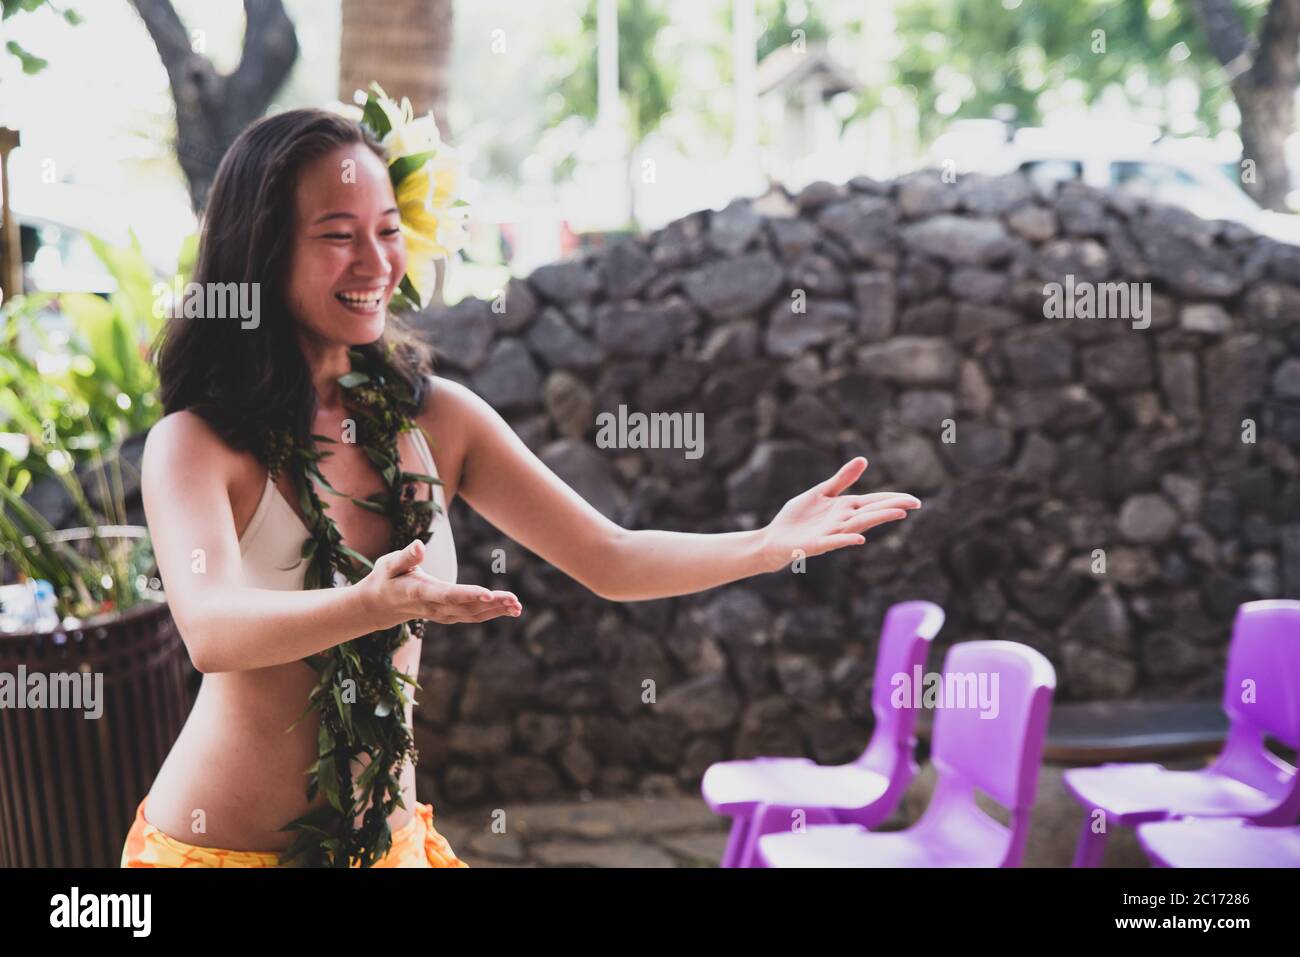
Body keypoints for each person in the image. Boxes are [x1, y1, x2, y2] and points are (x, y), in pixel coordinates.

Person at [121, 108, 921, 868]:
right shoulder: (197, 443)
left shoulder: (441, 420)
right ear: (259, 252)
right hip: (218, 848)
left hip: (388, 848)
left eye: (388, 232)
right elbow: (212, 629)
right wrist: (371, 604)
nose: (375, 262)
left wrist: (763, 545)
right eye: (338, 236)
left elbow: (610, 556)